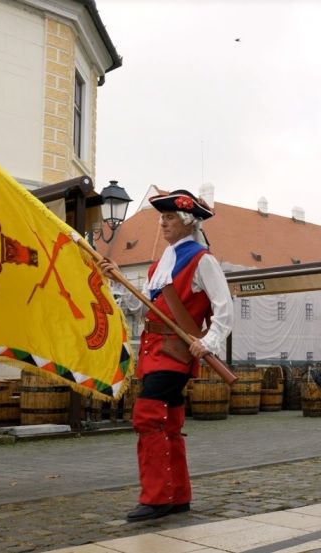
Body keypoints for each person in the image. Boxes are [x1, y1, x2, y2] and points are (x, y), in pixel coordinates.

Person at [100, 190, 233, 522]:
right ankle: (177, 495)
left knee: (147, 417)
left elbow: (224, 309)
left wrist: (209, 341)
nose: (163, 223)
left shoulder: (202, 260)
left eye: (170, 217)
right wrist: (117, 278)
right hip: (153, 351)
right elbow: (140, 306)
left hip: (175, 352)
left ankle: (157, 497)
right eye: (162, 217)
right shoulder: (161, 264)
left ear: (188, 221)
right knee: (168, 422)